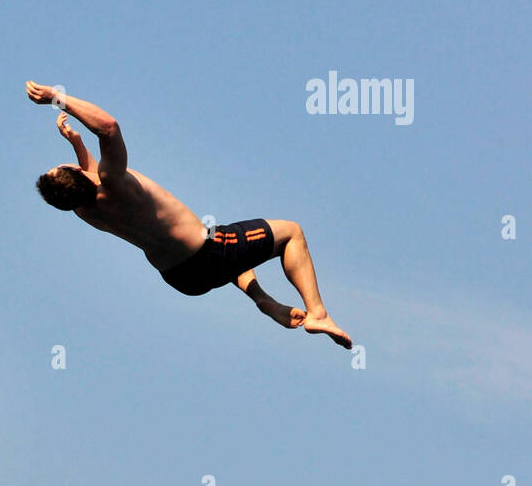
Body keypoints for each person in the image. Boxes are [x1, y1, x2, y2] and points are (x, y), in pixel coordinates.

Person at [26, 81, 351, 349]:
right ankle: (319, 313)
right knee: (289, 232)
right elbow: (109, 128)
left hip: (180, 278)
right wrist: (58, 98)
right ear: (79, 175)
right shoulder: (112, 183)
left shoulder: (84, 210)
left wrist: (77, 145)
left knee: (226, 244)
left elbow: (86, 179)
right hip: (207, 251)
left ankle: (262, 300)